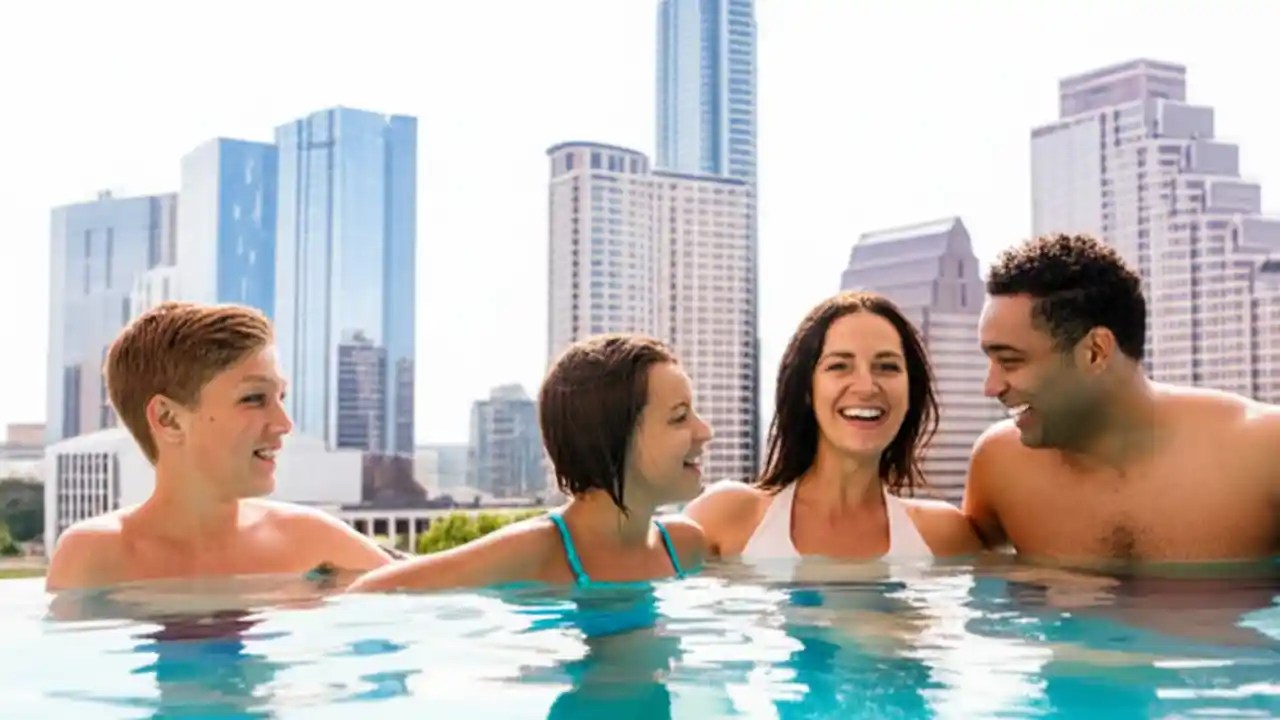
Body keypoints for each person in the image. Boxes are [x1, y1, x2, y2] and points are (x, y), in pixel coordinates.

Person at [963, 232, 1280, 564]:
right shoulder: (999, 465)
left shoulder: (1261, 453)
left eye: (1010, 361)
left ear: (1095, 352)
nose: (991, 386)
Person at [45, 302, 392, 591]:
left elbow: (420, 589)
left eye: (280, 397)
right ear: (169, 419)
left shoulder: (312, 541)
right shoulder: (96, 555)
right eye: (255, 398)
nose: (285, 424)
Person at [348, 333, 710, 593]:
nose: (705, 431)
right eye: (679, 417)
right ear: (613, 438)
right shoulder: (534, 553)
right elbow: (371, 592)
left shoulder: (685, 547)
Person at [684, 291, 982, 563]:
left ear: (910, 393)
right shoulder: (724, 517)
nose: (866, 386)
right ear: (807, 390)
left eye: (887, 366)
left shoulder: (945, 536)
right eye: (839, 366)